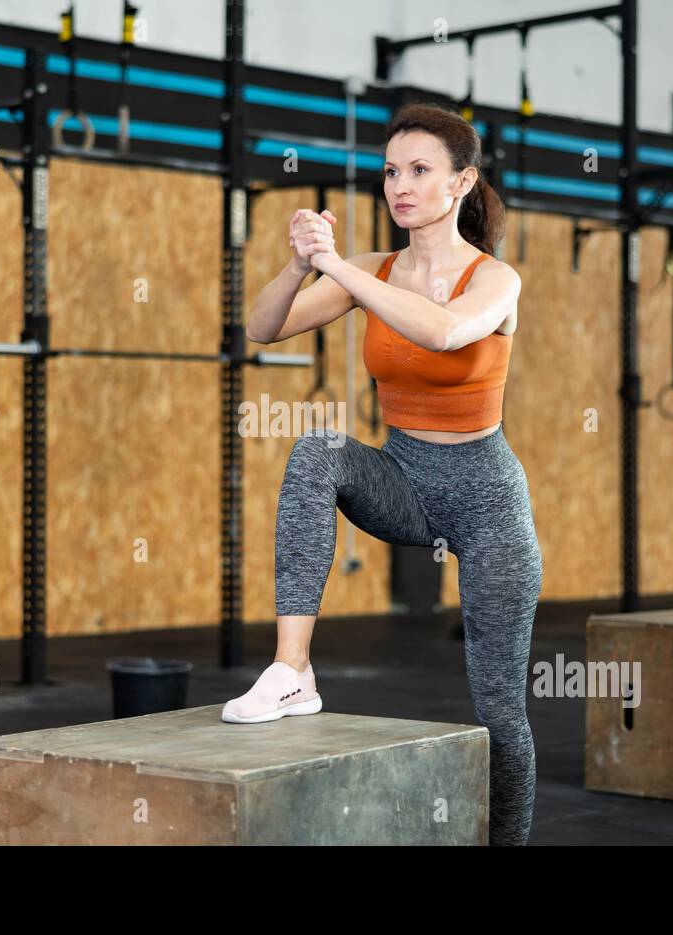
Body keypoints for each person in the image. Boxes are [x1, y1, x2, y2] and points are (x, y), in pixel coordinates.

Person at [228, 102, 540, 845]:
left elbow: (440, 330)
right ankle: (293, 668)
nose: (401, 184)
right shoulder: (374, 268)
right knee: (318, 450)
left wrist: (338, 267)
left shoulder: (495, 279)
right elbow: (262, 326)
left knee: (500, 712)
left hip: (487, 498)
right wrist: (301, 263)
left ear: (462, 182)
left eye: (421, 170)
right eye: (392, 171)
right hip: (404, 476)